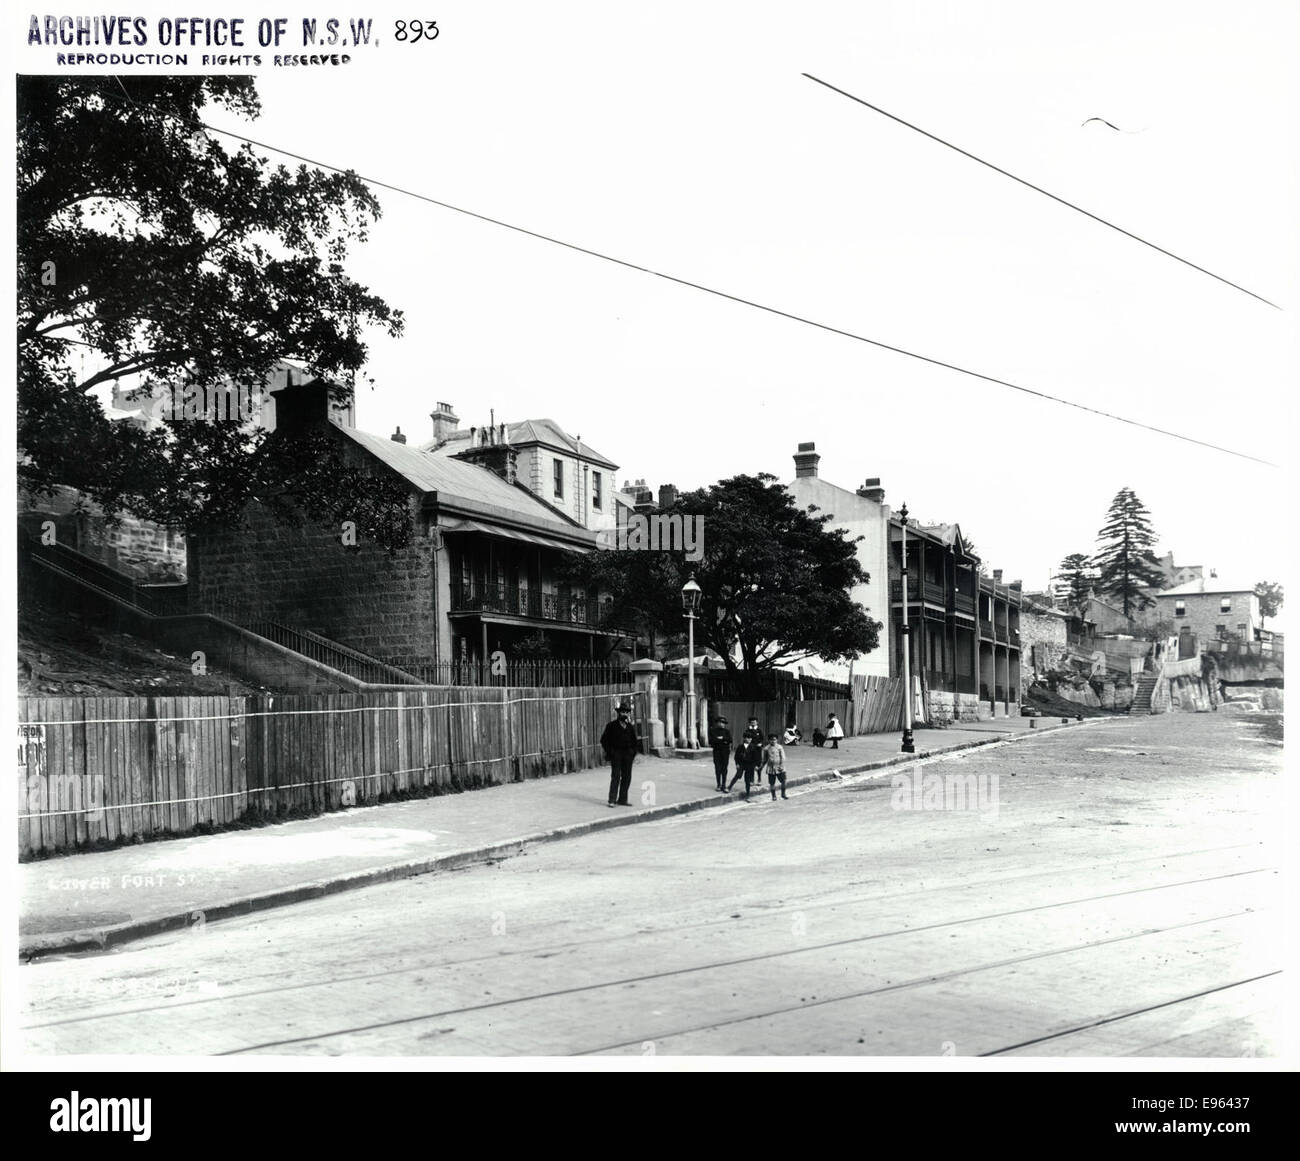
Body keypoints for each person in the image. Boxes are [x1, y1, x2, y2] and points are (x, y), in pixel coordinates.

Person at [600, 701, 639, 807]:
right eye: (622, 712)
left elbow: (635, 742)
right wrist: (611, 752)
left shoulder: (630, 727)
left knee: (627, 777)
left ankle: (622, 799)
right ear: (618, 713)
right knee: (616, 776)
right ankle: (612, 800)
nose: (624, 714)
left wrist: (632, 753)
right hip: (616, 754)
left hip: (627, 755)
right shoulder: (611, 726)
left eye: (626, 712)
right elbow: (603, 740)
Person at [729, 735, 763, 800]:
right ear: (744, 738)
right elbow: (736, 756)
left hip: (749, 765)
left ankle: (748, 794)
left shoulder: (753, 747)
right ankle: (729, 787)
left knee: (747, 780)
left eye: (750, 738)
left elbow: (756, 758)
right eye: (747, 738)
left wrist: (755, 765)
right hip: (742, 763)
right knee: (738, 775)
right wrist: (737, 764)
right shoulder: (740, 747)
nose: (749, 739)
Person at [708, 715, 734, 792]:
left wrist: (721, 739)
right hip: (717, 752)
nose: (722, 724)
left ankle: (724, 784)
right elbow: (711, 741)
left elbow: (730, 740)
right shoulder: (713, 731)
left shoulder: (727, 731)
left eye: (723, 723)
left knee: (724, 769)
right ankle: (718, 784)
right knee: (717, 768)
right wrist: (723, 741)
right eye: (720, 722)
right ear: (717, 723)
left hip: (725, 752)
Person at [761, 733, 788, 800]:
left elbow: (783, 757)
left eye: (774, 740)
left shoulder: (779, 747)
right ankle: (774, 796)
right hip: (770, 768)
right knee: (772, 783)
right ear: (768, 740)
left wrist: (781, 765)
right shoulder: (766, 749)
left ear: (777, 740)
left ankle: (783, 794)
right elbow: (764, 759)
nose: (773, 741)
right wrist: (761, 767)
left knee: (783, 781)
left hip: (779, 767)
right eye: (771, 740)